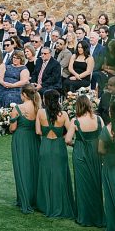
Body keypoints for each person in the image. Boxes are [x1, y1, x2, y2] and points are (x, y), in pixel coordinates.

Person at [35, 90, 75, 219]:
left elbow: (38, 131)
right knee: (60, 175)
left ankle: (46, 204)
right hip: (59, 147)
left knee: (45, 175)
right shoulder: (63, 114)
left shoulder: (40, 112)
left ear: (45, 99)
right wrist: (61, 135)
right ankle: (60, 204)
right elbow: (70, 132)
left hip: (45, 146)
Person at [66, 95, 104, 228]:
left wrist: (76, 144)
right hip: (96, 154)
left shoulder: (75, 121)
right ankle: (98, 216)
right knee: (96, 184)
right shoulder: (99, 119)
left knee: (82, 185)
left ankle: (84, 216)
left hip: (81, 154)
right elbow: (104, 136)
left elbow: (67, 140)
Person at [9, 86, 41, 214]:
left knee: (21, 168)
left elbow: (12, 128)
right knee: (34, 168)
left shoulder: (17, 108)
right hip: (34, 139)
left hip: (20, 140)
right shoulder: (38, 108)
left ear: (24, 95)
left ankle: (24, 200)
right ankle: (34, 199)